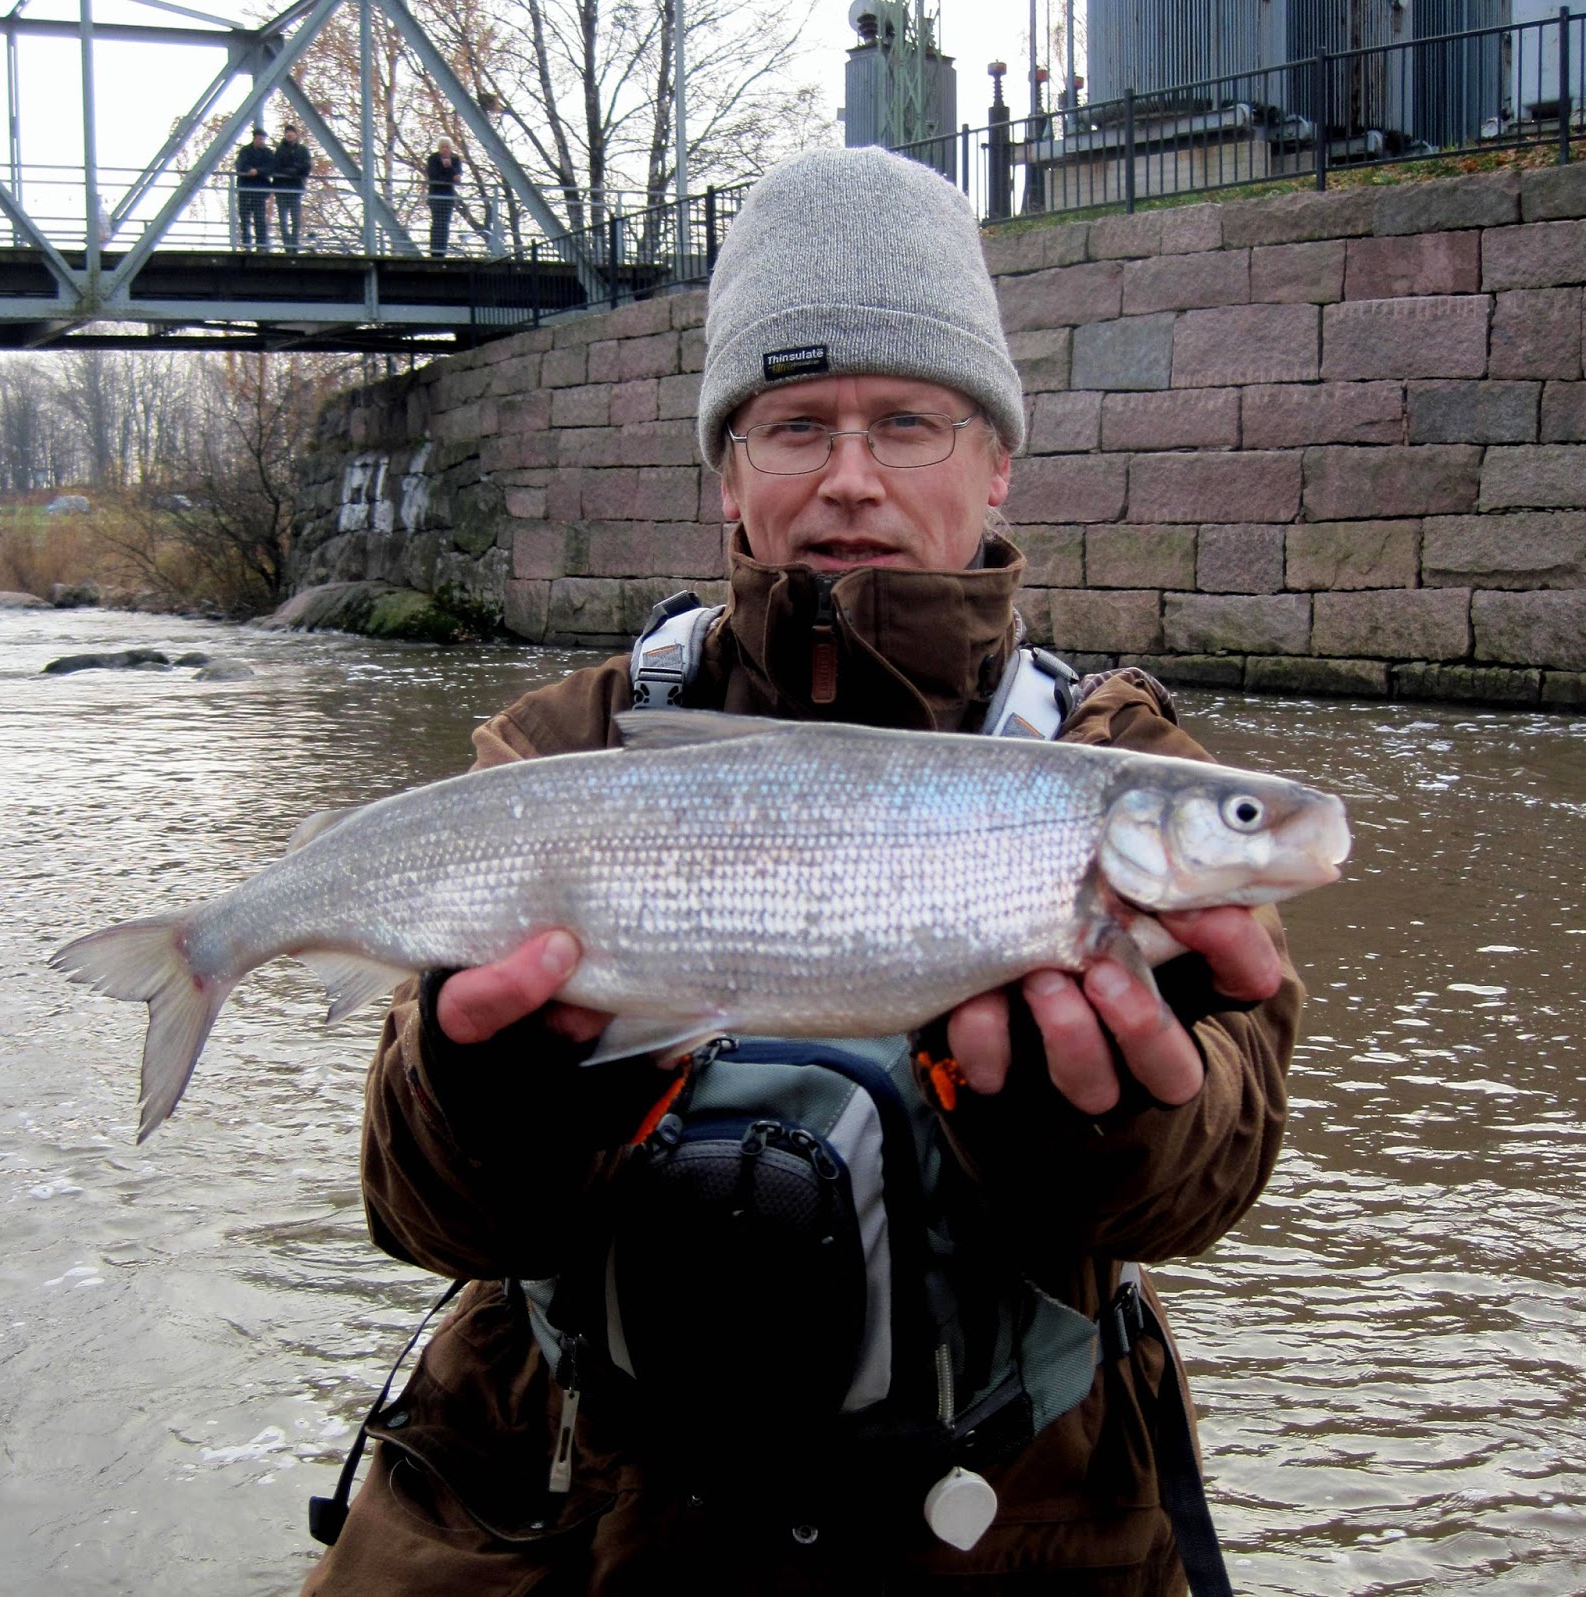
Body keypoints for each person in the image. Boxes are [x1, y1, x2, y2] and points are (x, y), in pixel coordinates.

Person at [302, 147, 1302, 1596]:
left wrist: (1092, 1130)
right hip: (585, 1502)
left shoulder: (1122, 767)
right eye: (793, 425)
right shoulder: (561, 750)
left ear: (996, 459)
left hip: (997, 1514)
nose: (848, 478)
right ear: (728, 470)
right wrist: (495, 1098)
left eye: (906, 421)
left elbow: (1218, 1176)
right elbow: (418, 1212)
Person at [234, 127, 275, 253]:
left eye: (262, 139)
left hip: (260, 189)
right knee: (245, 216)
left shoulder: (267, 153)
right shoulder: (245, 151)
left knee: (259, 218)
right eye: (259, 139)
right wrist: (249, 170)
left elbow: (272, 167)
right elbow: (239, 165)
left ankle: (261, 245)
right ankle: (247, 245)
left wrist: (257, 171)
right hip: (246, 188)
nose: (261, 141)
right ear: (255, 139)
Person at [273, 122, 312, 255]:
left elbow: (306, 167)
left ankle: (293, 246)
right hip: (282, 189)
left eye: (291, 133)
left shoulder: (302, 150)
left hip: (295, 189)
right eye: (287, 134)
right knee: (283, 221)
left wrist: (293, 170)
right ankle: (288, 246)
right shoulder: (280, 150)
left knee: (295, 220)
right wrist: (294, 170)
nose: (289, 136)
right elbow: (276, 166)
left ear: (296, 135)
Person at [425, 137, 461, 257]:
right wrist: (450, 176)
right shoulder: (433, 159)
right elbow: (433, 177)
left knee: (445, 224)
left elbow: (458, 178)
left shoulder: (455, 159)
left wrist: (449, 167)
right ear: (439, 148)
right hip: (436, 195)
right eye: (442, 147)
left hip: (448, 197)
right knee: (437, 223)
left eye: (447, 147)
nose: (445, 149)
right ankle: (435, 251)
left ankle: (442, 251)